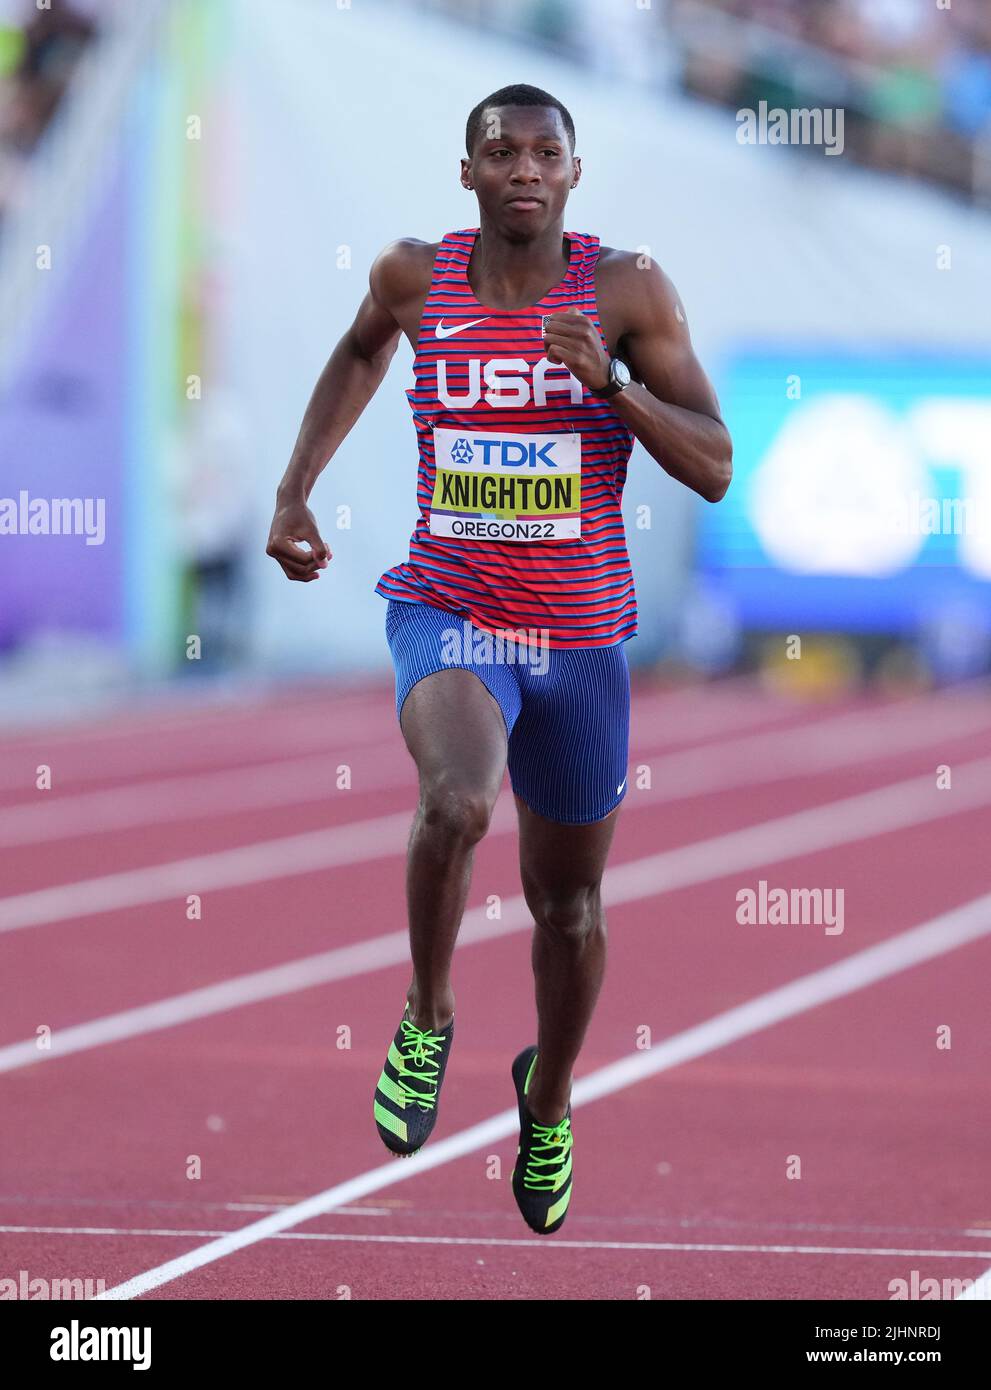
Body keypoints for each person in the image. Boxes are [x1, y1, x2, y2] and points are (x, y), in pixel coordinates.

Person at [267, 83, 731, 1235]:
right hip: (450, 607)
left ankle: (552, 1097)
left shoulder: (624, 289)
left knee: (565, 905)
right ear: (466, 173)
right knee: (458, 800)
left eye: (544, 153)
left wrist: (611, 388)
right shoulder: (412, 278)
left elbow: (716, 464)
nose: (523, 168)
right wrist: (294, 490)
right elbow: (358, 353)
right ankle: (427, 1015)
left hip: (577, 640)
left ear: (574, 174)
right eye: (500, 152)